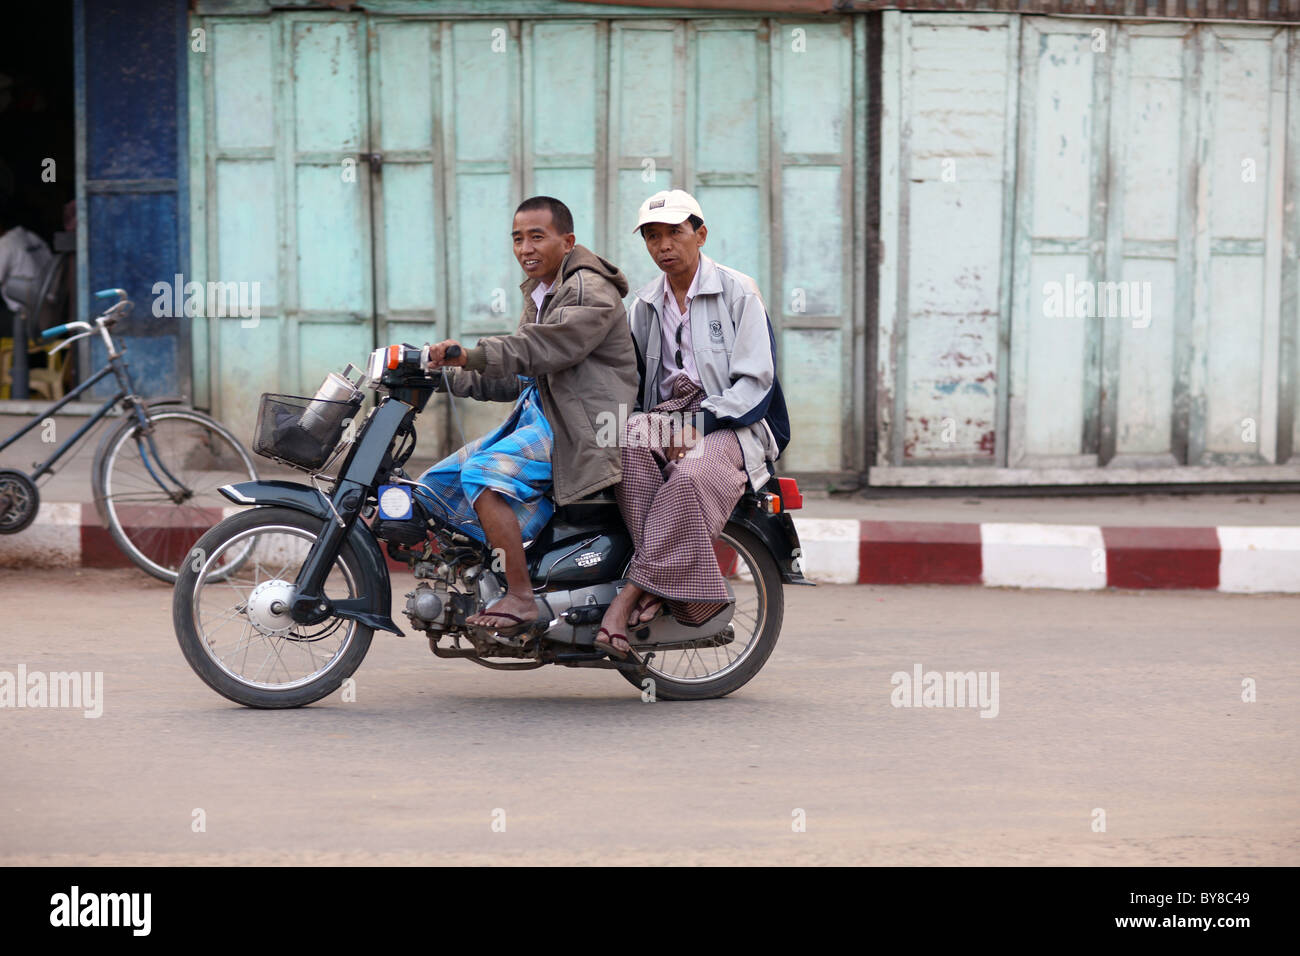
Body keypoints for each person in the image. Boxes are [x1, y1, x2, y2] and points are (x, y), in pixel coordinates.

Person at [418, 196, 636, 636]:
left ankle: (520, 596)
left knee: (481, 473)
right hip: (546, 413)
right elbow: (519, 373)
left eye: (537, 236)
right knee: (434, 484)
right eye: (517, 238)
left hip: (581, 425)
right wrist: (445, 375)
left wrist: (474, 353)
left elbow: (540, 348)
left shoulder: (590, 291)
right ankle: (495, 573)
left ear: (567, 241)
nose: (525, 248)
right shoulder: (544, 291)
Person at [594, 189, 789, 661]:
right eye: (653, 236)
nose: (664, 245)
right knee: (626, 441)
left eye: (675, 234)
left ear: (700, 235)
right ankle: (668, 588)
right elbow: (638, 383)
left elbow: (756, 382)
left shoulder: (738, 291)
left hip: (734, 420)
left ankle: (625, 599)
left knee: (690, 478)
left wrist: (697, 425)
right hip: (671, 415)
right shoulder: (643, 304)